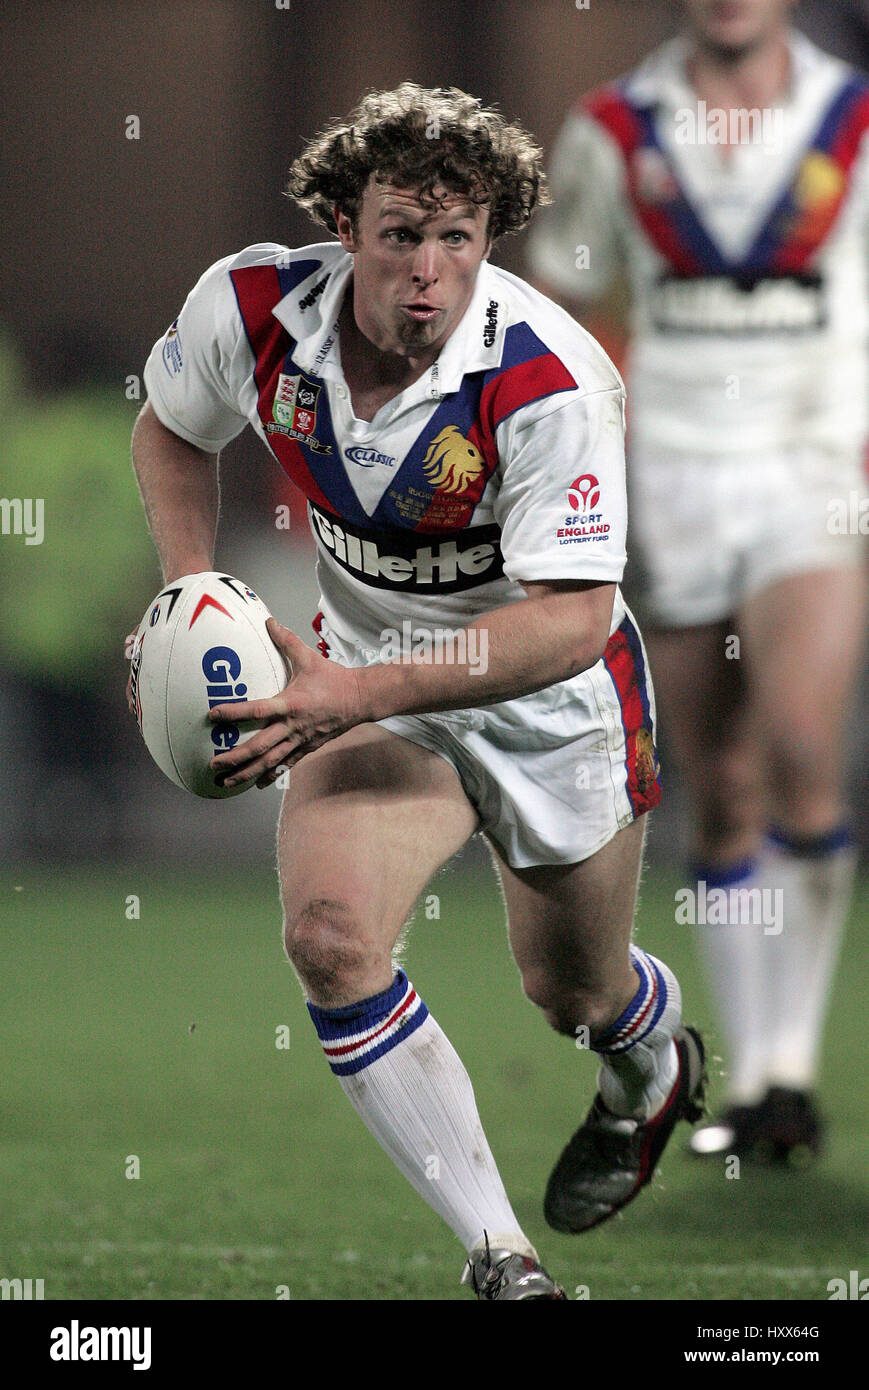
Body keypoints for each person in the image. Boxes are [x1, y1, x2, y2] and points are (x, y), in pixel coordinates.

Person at [129, 83, 704, 1301]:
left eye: (461, 237)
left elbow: (569, 618)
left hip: (548, 695)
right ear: (344, 224)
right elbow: (173, 429)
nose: (431, 272)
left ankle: (648, 1064)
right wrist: (192, 595)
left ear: (492, 236)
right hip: (368, 682)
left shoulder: (552, 379)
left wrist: (365, 685)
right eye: (402, 233)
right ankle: (501, 1258)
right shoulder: (250, 308)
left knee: (570, 991)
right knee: (330, 941)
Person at [528, 0, 869, 1162]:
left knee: (800, 751)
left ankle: (786, 1066)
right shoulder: (612, 130)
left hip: (811, 472)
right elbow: (574, 295)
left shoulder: (853, 118)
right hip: (668, 474)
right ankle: (751, 1075)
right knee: (714, 781)